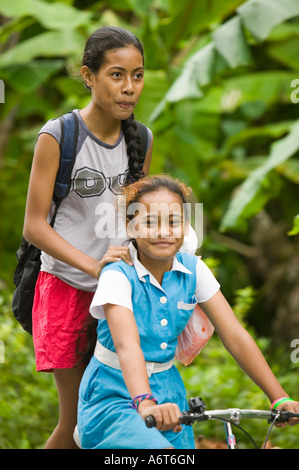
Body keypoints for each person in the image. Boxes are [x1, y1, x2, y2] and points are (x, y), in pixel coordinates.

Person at [77, 174, 299, 449]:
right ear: (130, 227)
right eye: (149, 222)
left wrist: (278, 397)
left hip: (169, 393)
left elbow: (234, 335)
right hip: (114, 395)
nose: (163, 232)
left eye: (173, 221)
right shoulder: (118, 274)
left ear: (186, 226)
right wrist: (144, 403)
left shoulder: (193, 269)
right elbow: (127, 345)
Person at [23, 26, 153, 449]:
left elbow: (140, 219)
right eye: (116, 75)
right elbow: (34, 226)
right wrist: (93, 264)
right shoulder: (59, 135)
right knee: (79, 421)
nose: (128, 87)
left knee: (115, 411)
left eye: (137, 75)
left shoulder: (142, 139)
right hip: (66, 289)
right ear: (88, 75)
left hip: (118, 294)